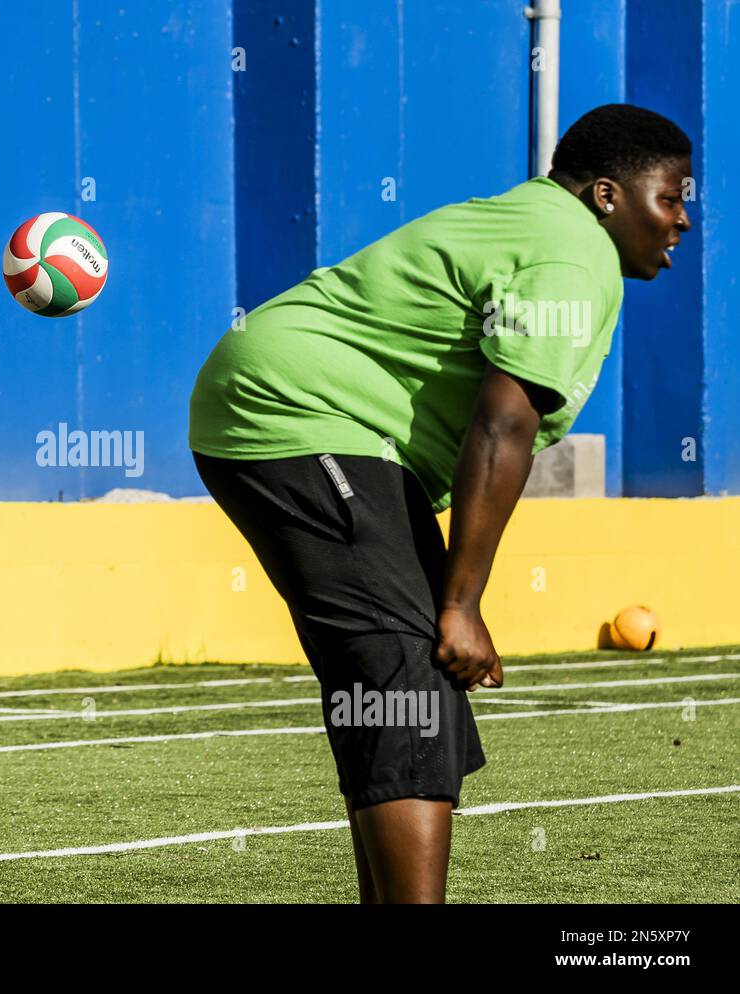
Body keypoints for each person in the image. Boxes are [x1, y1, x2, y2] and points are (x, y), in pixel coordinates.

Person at [188, 104, 691, 902]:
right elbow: (505, 421)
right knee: (406, 678)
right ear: (606, 194)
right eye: (671, 198)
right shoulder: (572, 253)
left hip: (312, 419)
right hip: (297, 411)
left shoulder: (546, 228)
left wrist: (452, 606)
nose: (683, 222)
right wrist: (461, 603)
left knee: (410, 686)